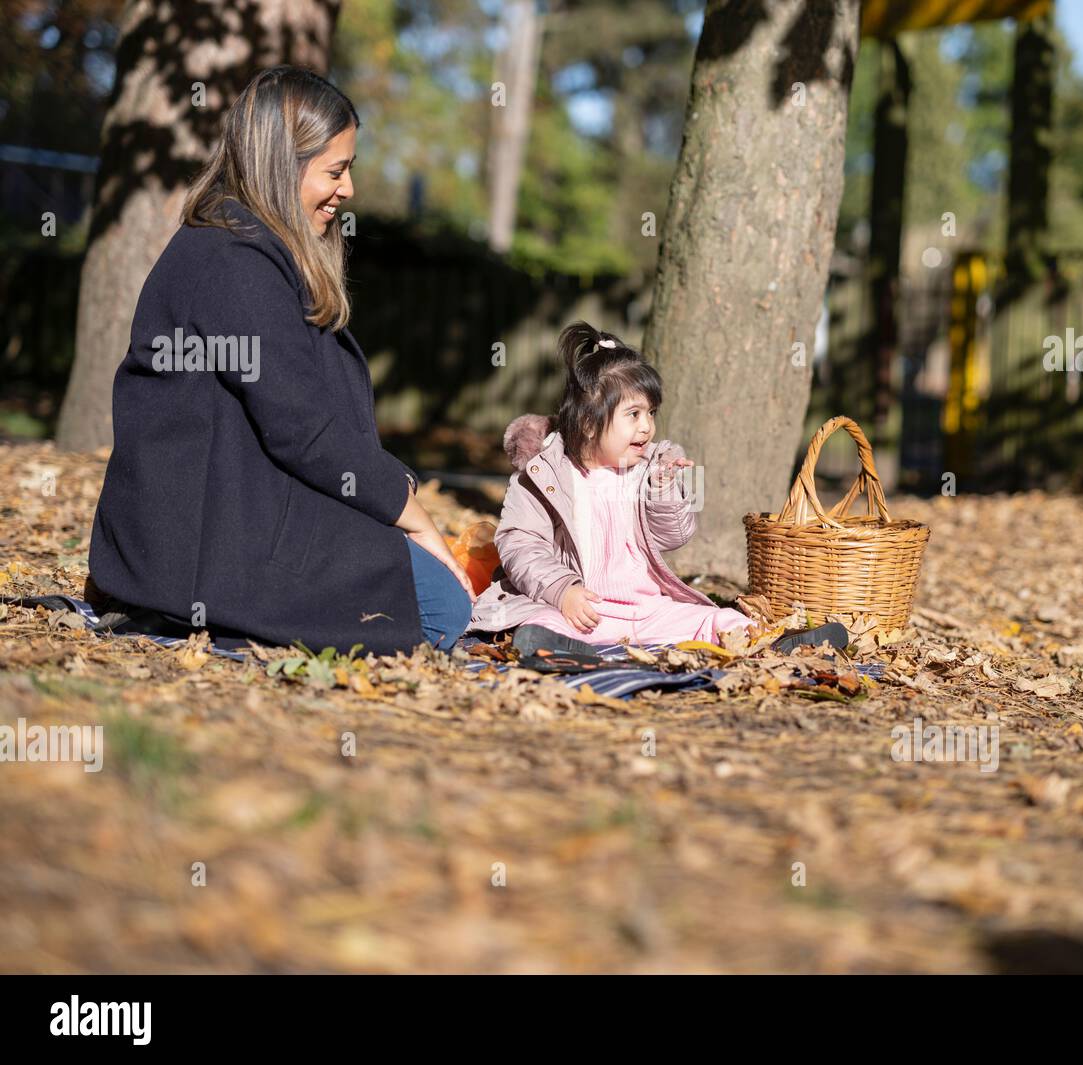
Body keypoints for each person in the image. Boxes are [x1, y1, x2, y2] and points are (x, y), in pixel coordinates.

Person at [88, 66, 471, 656]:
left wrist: (393, 493)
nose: (349, 190)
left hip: (238, 509)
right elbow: (303, 429)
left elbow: (305, 420)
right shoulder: (234, 261)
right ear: (281, 165)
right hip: (205, 544)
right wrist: (413, 518)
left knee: (442, 587)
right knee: (444, 610)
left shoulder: (242, 245)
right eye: (335, 171)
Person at [467, 321, 761, 652]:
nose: (647, 426)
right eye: (633, 414)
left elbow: (674, 536)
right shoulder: (544, 475)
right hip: (582, 610)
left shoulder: (647, 468)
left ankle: (759, 637)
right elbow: (521, 542)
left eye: (651, 413)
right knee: (541, 621)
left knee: (711, 618)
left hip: (646, 611)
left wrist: (662, 490)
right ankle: (553, 645)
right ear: (589, 424)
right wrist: (562, 590)